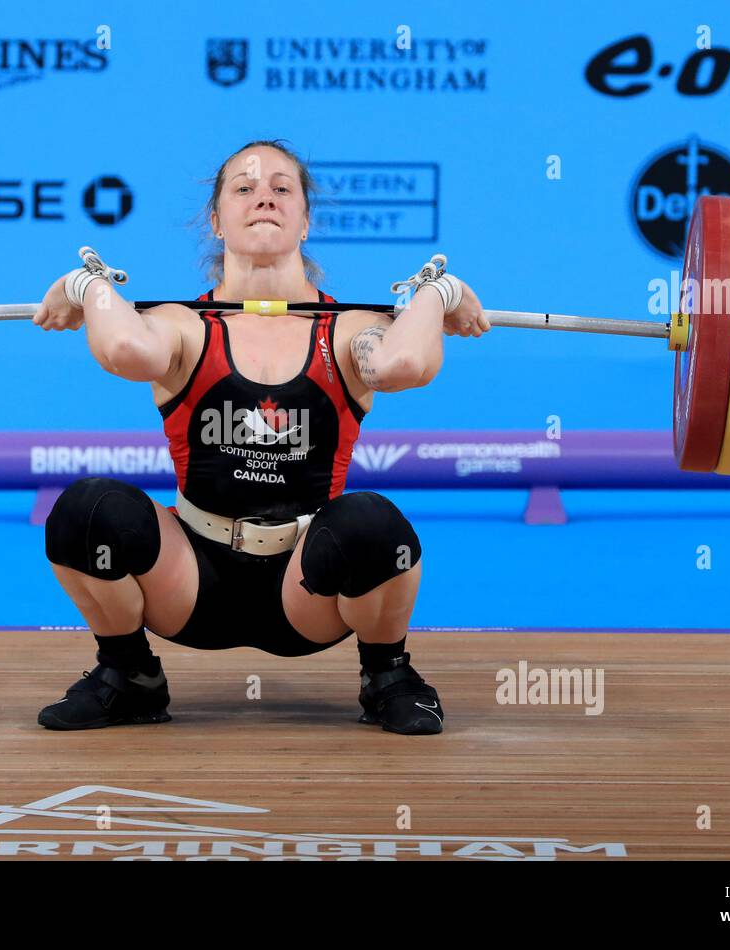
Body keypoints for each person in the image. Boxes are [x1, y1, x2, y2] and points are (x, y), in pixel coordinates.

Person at [31, 140, 488, 735]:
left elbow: (402, 367)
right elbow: (124, 348)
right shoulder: (183, 326)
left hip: (307, 587)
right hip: (190, 579)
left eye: (281, 187)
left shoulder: (349, 330)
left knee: (372, 523)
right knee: (85, 512)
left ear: (305, 219)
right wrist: (88, 285)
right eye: (243, 188)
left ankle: (389, 677)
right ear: (217, 221)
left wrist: (435, 291)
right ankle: (129, 676)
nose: (263, 196)